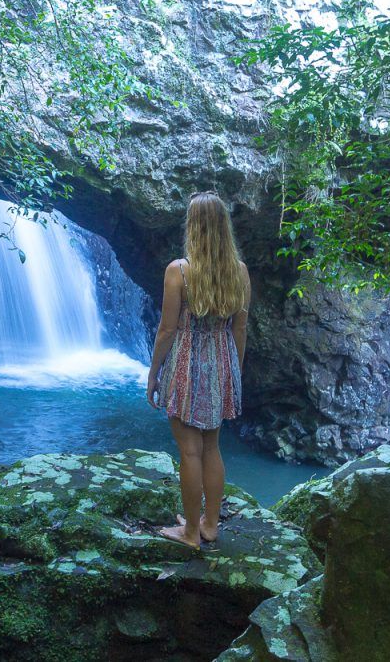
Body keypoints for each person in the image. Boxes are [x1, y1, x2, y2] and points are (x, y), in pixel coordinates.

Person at [146, 190, 250, 549]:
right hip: (221, 361)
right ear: (224, 228)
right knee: (212, 448)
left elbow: (168, 329)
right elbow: (239, 328)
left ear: (194, 227)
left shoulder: (179, 271)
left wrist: (154, 372)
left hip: (186, 366)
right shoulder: (239, 272)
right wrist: (232, 374)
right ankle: (209, 524)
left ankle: (190, 532)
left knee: (189, 451)